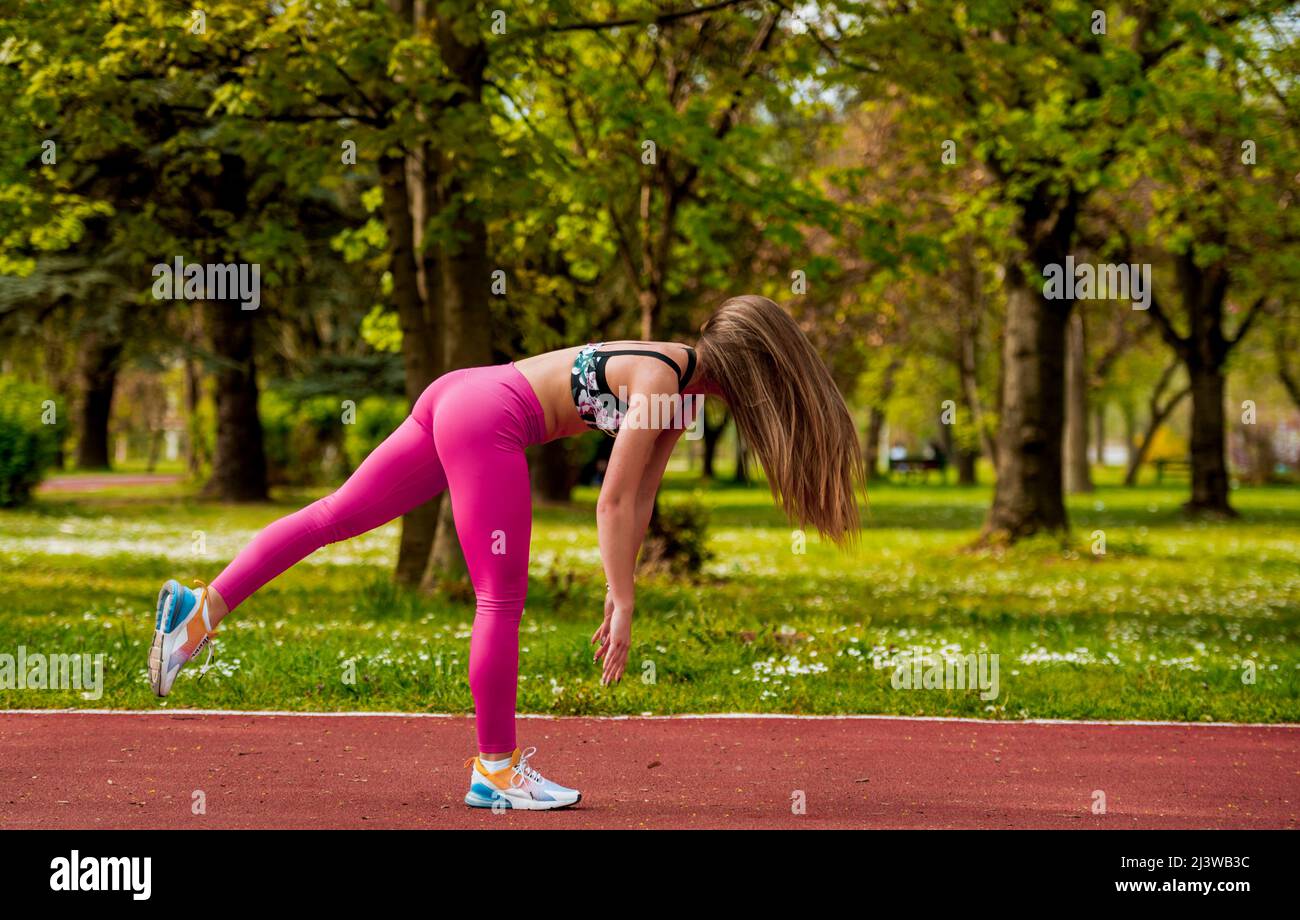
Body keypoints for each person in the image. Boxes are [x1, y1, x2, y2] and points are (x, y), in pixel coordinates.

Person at [148, 294, 864, 810]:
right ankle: (494, 771)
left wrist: (622, 591)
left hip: (461, 395)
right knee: (499, 598)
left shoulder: (676, 385)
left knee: (336, 514)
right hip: (489, 417)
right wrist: (624, 598)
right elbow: (611, 501)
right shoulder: (662, 381)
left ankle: (198, 610)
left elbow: (640, 496)